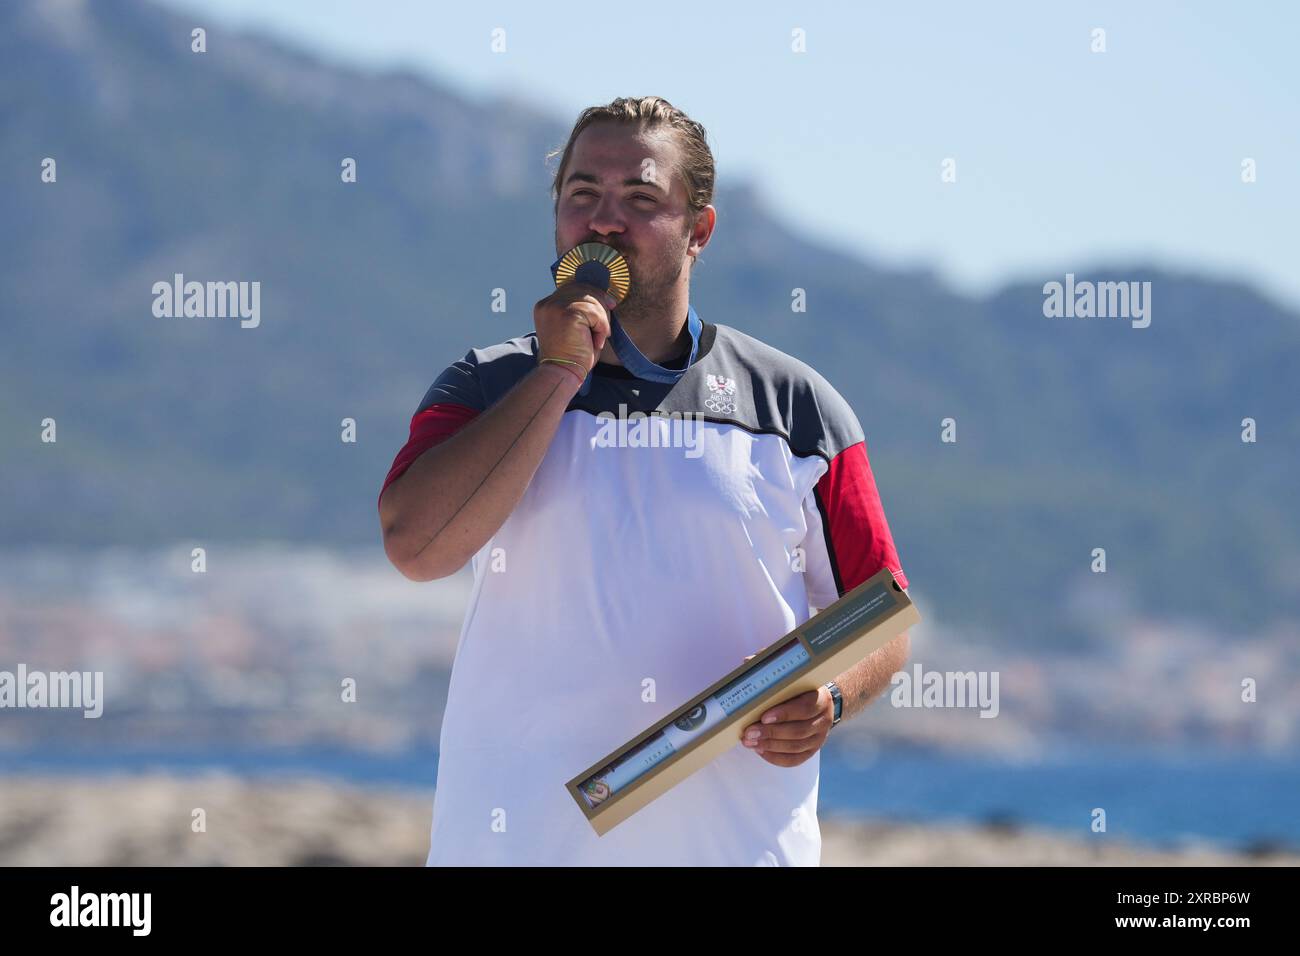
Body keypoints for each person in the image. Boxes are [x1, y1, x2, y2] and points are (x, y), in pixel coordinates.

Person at [378, 96, 911, 866]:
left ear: (699, 231)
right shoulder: (485, 384)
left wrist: (830, 700)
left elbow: (881, 615)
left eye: (640, 199)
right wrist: (560, 370)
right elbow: (417, 548)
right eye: (582, 195)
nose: (603, 221)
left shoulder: (795, 406)